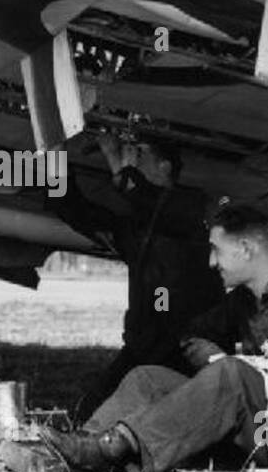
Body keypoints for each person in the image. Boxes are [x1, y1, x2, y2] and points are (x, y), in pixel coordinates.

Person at [38, 201, 268, 472]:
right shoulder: (243, 300)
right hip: (266, 424)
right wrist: (214, 358)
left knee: (234, 375)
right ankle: (79, 449)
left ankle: (114, 446)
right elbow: (193, 334)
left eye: (216, 250)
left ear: (246, 248)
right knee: (148, 377)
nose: (210, 262)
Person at [51, 133, 223, 420]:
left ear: (165, 167)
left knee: (182, 418)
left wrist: (118, 164)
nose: (131, 159)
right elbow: (72, 209)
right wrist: (56, 161)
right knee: (87, 413)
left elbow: (155, 205)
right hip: (144, 342)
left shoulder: (193, 205)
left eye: (140, 154)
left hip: (188, 344)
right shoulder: (134, 225)